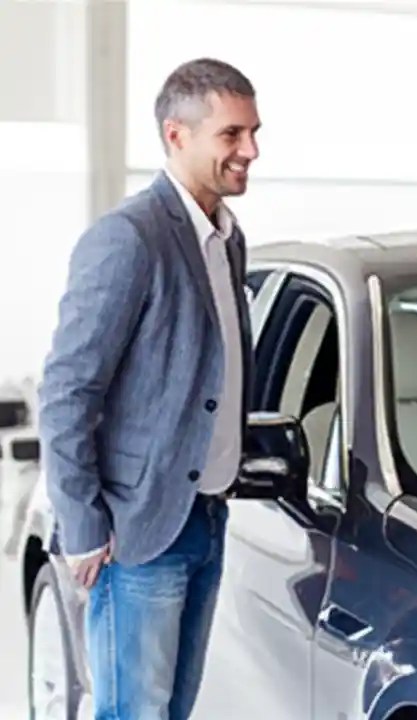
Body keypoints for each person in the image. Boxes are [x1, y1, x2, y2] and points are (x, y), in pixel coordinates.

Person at [39, 58, 259, 719]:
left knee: (171, 709)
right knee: (134, 712)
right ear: (176, 135)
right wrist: (83, 524)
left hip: (207, 514)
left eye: (253, 132)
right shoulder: (128, 238)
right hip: (140, 528)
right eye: (231, 135)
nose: (250, 150)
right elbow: (67, 388)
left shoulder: (226, 238)